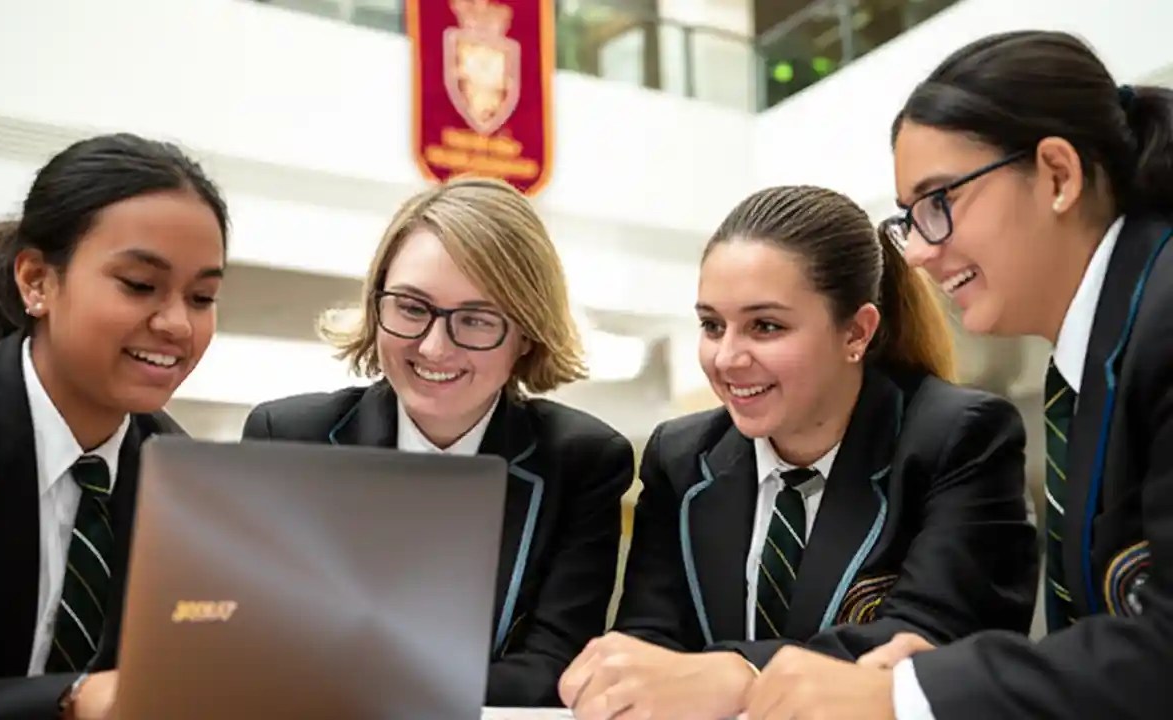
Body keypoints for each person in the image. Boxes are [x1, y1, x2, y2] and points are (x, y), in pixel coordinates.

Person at [741, 30, 1173, 720]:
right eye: (909, 218)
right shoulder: (1105, 346)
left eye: (939, 202)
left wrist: (908, 694)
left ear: (1058, 175)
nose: (914, 252)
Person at [557, 184, 1039, 720]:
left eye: (766, 326)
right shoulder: (681, 458)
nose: (728, 357)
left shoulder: (959, 438)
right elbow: (652, 641)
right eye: (712, 325)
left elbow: (932, 640)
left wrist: (743, 674)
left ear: (856, 332)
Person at [241, 176, 635, 707]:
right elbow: (256, 646)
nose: (433, 346)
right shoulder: (287, 438)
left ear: (526, 335)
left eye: (474, 319)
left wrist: (366, 685)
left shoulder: (583, 461)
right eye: (411, 307)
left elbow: (551, 672)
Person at [0, 133, 229, 720]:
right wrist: (73, 699)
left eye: (202, 296)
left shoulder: (181, 477)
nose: (178, 323)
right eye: (140, 285)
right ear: (37, 281)